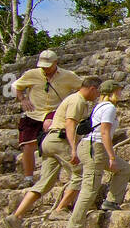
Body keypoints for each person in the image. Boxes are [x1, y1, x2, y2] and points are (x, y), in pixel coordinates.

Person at [2, 76, 102, 228]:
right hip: (59, 140)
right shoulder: (78, 101)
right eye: (97, 92)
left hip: (48, 141)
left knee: (44, 182)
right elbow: (70, 124)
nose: (97, 95)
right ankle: (60, 209)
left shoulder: (72, 99)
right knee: (81, 174)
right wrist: (73, 149)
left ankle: (16, 216)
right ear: (92, 88)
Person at [63, 80, 130, 228]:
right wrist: (112, 157)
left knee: (124, 168)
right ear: (113, 92)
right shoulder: (109, 108)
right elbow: (105, 133)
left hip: (91, 147)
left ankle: (112, 201)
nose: (120, 94)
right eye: (118, 91)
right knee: (89, 189)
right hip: (96, 147)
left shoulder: (99, 106)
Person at [11, 50, 81, 187]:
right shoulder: (32, 74)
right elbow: (16, 86)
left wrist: (70, 104)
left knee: (49, 129)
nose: (45, 69)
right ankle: (28, 178)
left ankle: (63, 174)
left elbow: (82, 87)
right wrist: (23, 99)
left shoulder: (68, 76)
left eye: (48, 66)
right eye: (43, 66)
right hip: (34, 112)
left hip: (55, 111)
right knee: (27, 145)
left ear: (56, 63)